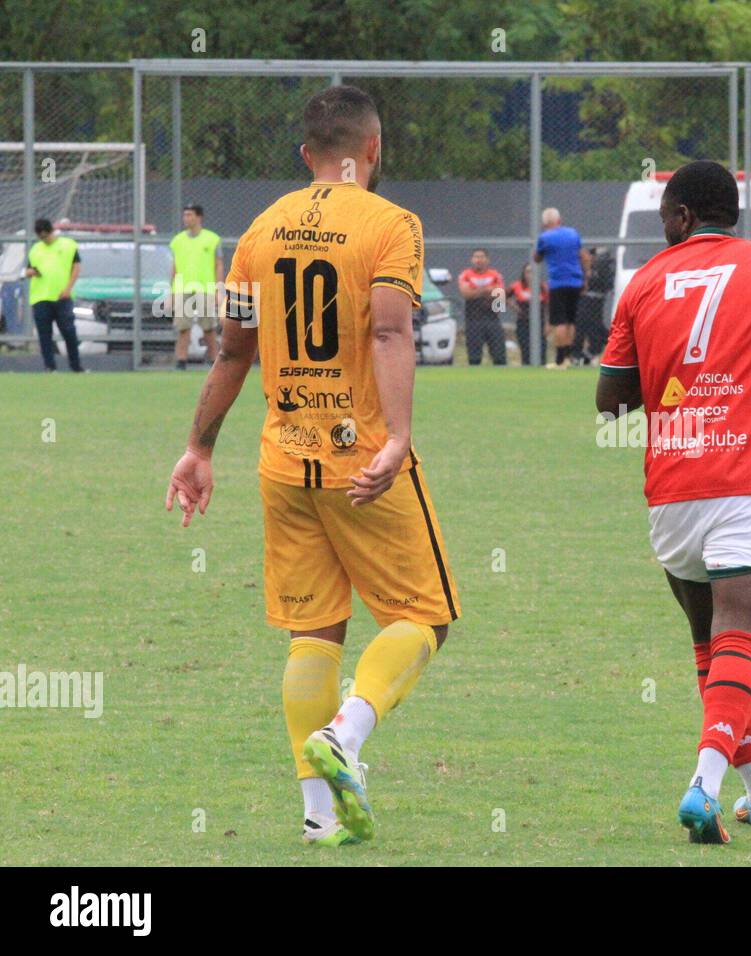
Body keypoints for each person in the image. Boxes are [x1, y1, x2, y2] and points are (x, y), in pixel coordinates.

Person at [164, 84, 461, 849]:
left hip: (284, 463)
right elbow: (392, 334)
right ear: (373, 151)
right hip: (360, 460)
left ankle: (318, 816)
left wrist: (199, 447)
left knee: (312, 633)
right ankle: (347, 735)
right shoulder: (392, 223)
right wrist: (397, 437)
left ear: (307, 156)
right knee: (423, 617)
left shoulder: (262, 230)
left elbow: (234, 349)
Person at [597, 160, 751, 844]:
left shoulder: (646, 282)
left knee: (713, 650)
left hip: (673, 492)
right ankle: (703, 787)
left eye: (664, 222)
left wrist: (672, 374)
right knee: (738, 638)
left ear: (681, 217)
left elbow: (610, 401)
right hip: (750, 480)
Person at [23, 218, 84, 373]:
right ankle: (50, 367)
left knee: (68, 331)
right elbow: (29, 269)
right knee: (44, 334)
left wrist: (68, 288)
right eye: (41, 237)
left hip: (62, 296)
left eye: (46, 236)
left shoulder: (68, 245)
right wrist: (30, 272)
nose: (45, 240)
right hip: (40, 297)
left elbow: (76, 267)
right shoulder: (35, 249)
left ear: (52, 231)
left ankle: (76, 366)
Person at [170, 203, 224, 370]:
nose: (187, 218)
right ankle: (181, 361)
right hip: (183, 289)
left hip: (205, 289)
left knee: (209, 328)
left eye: (190, 215)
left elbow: (219, 265)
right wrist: (172, 291)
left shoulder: (212, 239)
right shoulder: (178, 241)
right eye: (185, 215)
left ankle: (215, 361)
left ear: (199, 217)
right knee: (183, 327)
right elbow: (174, 266)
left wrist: (218, 289)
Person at [533, 207, 589, 367]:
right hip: (575, 282)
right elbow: (583, 256)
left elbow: (537, 258)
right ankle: (571, 357)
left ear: (544, 223)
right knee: (571, 321)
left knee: (559, 322)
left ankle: (560, 359)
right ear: (559, 220)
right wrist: (585, 277)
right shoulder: (573, 233)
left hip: (558, 283)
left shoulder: (545, 237)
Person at [458, 248, 506, 366]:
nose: (479, 260)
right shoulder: (466, 275)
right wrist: (487, 290)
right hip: (473, 318)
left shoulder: (495, 275)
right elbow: (466, 294)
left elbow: (499, 297)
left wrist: (476, 291)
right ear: (472, 259)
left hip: (492, 317)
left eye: (482, 257)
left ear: (487, 259)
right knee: (474, 357)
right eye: (476, 257)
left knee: (499, 356)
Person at [508, 262, 547, 366]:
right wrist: (514, 307)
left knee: (542, 350)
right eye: (528, 272)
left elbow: (549, 304)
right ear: (524, 274)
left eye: (533, 272)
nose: (530, 275)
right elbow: (502, 295)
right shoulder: (516, 286)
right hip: (523, 323)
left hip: (540, 323)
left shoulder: (543, 287)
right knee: (526, 350)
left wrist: (548, 323)